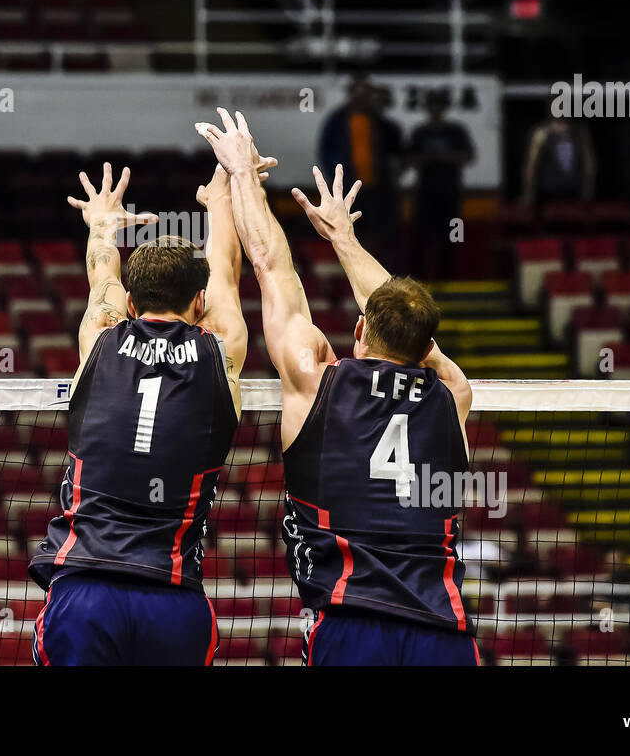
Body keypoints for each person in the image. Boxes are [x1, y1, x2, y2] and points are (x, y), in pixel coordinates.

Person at [198, 108, 478, 666]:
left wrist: (242, 177)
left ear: (357, 329)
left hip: (351, 626)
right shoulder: (452, 392)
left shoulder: (316, 376)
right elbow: (411, 326)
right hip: (442, 632)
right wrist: (347, 243)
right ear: (427, 345)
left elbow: (270, 266)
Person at [28, 155, 271, 665]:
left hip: (86, 590)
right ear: (199, 303)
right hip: (172, 595)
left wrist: (102, 224)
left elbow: (102, 274)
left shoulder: (100, 336)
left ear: (132, 305)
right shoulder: (220, 348)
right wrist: (222, 199)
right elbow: (225, 272)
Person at [319, 76, 405, 272]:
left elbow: (397, 152)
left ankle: (383, 273)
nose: (361, 98)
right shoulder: (338, 120)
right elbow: (326, 151)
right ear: (350, 95)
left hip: (380, 187)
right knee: (353, 232)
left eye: (365, 94)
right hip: (350, 188)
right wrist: (336, 180)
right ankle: (354, 272)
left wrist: (393, 174)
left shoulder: (381, 122)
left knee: (383, 232)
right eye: (357, 94)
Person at [407, 90, 475, 279]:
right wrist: (430, 158)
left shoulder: (456, 131)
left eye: (439, 104)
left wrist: (444, 157)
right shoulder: (420, 132)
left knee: (451, 238)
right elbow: (409, 158)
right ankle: (418, 281)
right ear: (428, 108)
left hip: (450, 193)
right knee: (421, 238)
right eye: (433, 104)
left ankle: (448, 279)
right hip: (425, 193)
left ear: (445, 108)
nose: (436, 108)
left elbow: (469, 155)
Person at [521, 111, 595, 213]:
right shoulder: (542, 133)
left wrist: (588, 188)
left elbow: (589, 163)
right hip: (548, 193)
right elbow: (531, 165)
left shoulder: (579, 132)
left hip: (574, 191)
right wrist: (529, 192)